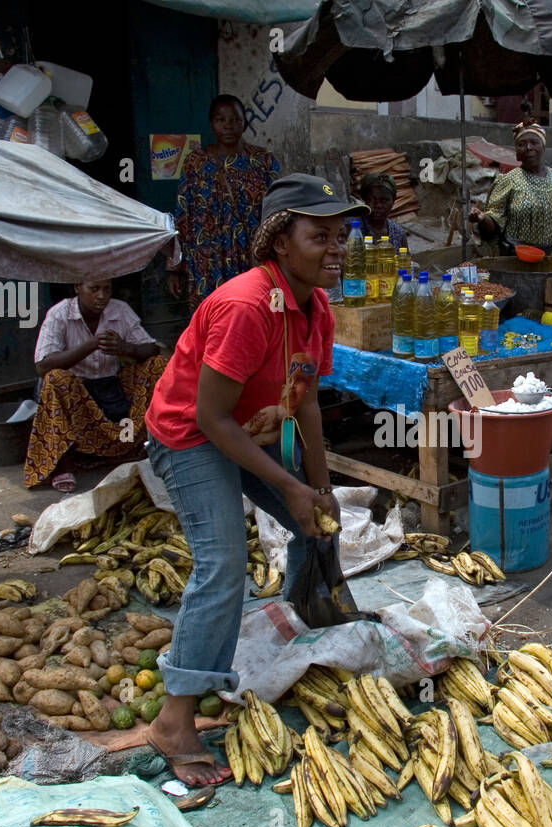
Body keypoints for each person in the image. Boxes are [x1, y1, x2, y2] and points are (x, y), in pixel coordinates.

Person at [143, 174, 366, 786]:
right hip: (190, 437)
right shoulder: (247, 305)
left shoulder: (314, 305)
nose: (335, 248)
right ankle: (174, 716)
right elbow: (209, 418)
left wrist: (319, 492)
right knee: (224, 564)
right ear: (279, 242)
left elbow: (308, 404)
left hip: (248, 431)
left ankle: (307, 620)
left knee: (318, 520)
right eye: (319, 236)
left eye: (340, 236)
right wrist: (290, 487)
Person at [24, 278, 164, 491]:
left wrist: (127, 348)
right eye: (94, 289)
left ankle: (150, 445)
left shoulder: (119, 310)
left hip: (112, 387)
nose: (102, 296)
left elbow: (151, 349)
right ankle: (64, 464)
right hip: (77, 394)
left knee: (157, 365)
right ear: (77, 287)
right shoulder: (59, 314)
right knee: (56, 379)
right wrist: (91, 345)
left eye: (107, 289)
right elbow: (43, 366)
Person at [167, 94, 281, 308]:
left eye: (235, 119)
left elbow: (278, 209)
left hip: (253, 254)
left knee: (255, 311)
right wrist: (175, 267)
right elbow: (183, 214)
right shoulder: (195, 163)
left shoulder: (263, 160)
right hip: (209, 260)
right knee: (213, 317)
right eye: (221, 120)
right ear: (211, 123)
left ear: (244, 123)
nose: (228, 126)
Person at [469, 120, 552, 258]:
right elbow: (495, 225)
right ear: (517, 153)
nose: (528, 147)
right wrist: (483, 219)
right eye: (521, 144)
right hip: (521, 259)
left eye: (534, 142)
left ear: (543, 147)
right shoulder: (507, 181)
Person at [355, 172, 407, 251]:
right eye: (372, 200)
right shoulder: (352, 227)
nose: (378, 205)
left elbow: (405, 261)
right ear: (365, 200)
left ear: (393, 201)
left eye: (384, 200)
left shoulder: (398, 233)